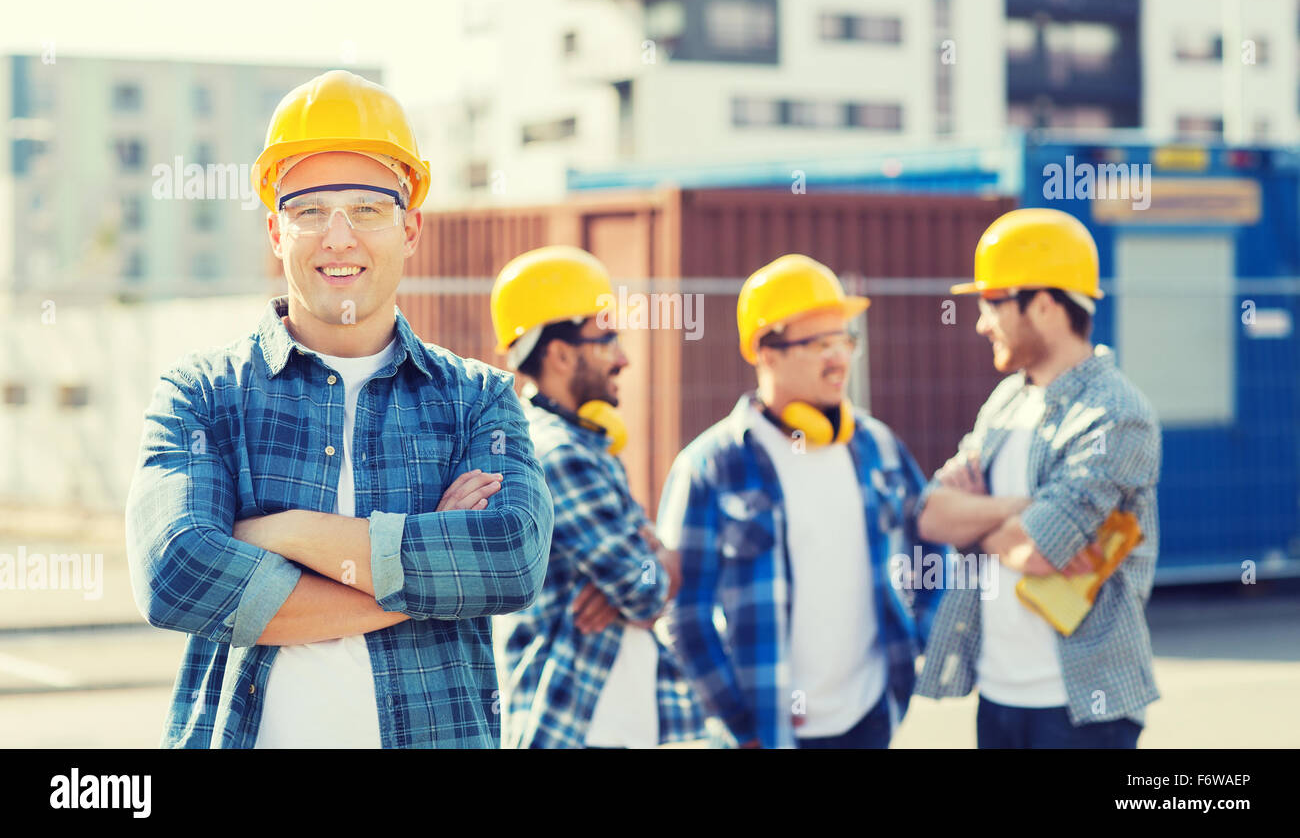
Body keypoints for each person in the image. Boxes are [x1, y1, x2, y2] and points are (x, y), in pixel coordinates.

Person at [124, 70, 553, 748]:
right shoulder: (203, 394)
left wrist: (276, 530)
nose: (339, 237)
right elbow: (177, 575)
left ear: (410, 228)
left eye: (367, 209)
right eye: (311, 210)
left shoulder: (479, 400)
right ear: (275, 230)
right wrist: (427, 566)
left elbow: (511, 560)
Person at [657, 254, 947, 749]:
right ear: (764, 352)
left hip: (873, 718)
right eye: (818, 344)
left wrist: (920, 635)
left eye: (844, 340)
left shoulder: (877, 447)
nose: (839, 359)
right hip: (768, 732)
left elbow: (932, 544)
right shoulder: (712, 465)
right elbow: (685, 615)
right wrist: (740, 724)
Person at [914, 207, 1161, 748]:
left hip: (1082, 711)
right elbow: (931, 515)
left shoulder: (1117, 413)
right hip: (999, 699)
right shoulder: (1006, 402)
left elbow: (1038, 555)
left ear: (1044, 305)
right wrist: (1021, 508)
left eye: (992, 303)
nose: (981, 321)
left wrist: (979, 518)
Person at [491, 246, 706, 748]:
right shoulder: (560, 453)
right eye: (606, 339)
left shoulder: (581, 443)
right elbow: (647, 591)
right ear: (561, 353)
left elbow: (641, 584)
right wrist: (649, 564)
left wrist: (639, 572)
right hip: (579, 726)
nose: (624, 358)